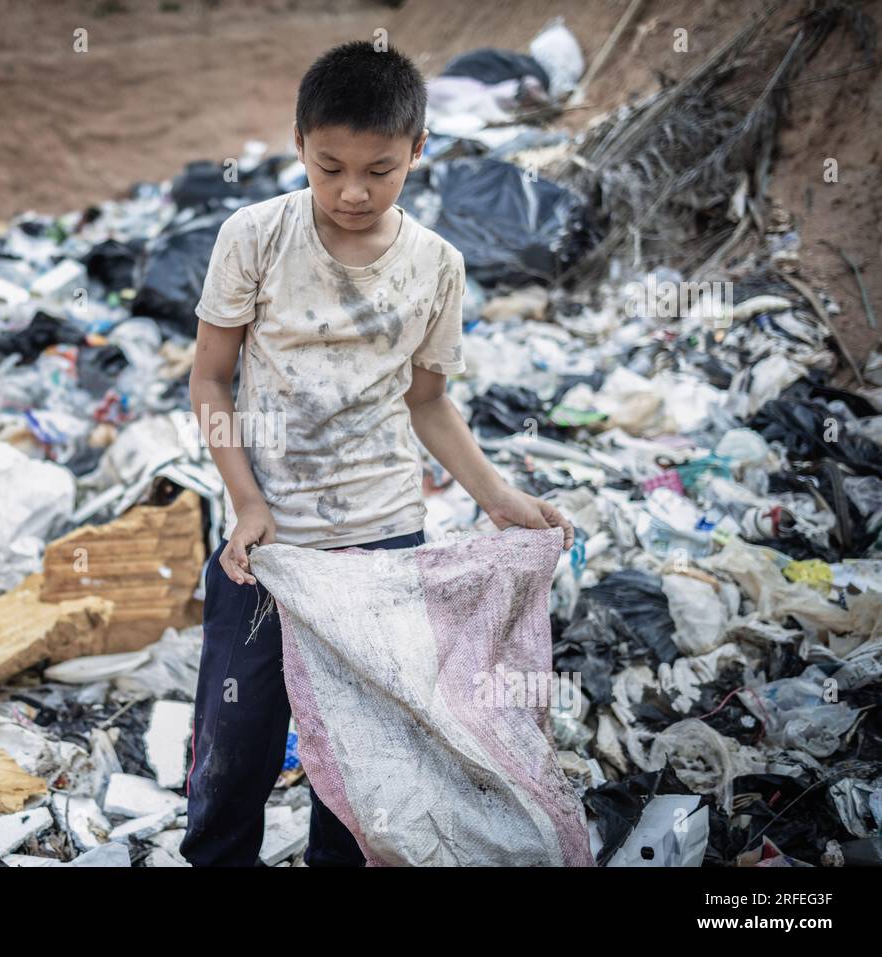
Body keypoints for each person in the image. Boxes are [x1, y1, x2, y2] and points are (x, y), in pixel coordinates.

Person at [180, 40, 573, 868]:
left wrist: (499, 498)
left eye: (380, 170)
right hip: (268, 544)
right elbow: (211, 382)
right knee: (237, 735)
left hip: (385, 540)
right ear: (298, 145)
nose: (352, 191)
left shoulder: (437, 266)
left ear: (420, 151)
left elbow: (426, 401)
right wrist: (248, 501)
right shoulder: (254, 237)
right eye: (330, 168)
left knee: (363, 757)